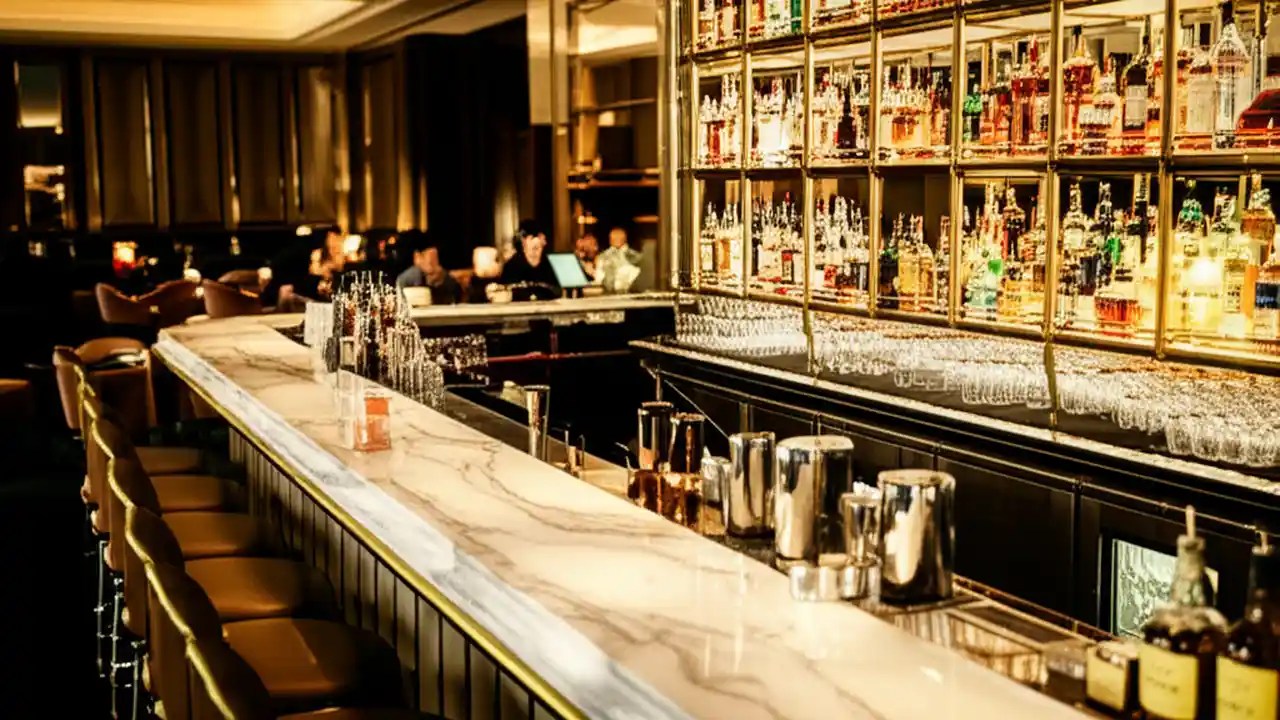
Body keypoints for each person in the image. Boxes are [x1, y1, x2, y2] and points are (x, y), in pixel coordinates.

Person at [395, 233, 462, 305]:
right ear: (418, 257)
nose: (434, 265)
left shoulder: (443, 275)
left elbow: (455, 294)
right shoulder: (410, 276)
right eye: (431, 261)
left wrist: (442, 280)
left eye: (436, 260)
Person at [499, 220, 560, 297]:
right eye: (531, 238)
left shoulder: (551, 265)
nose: (535, 242)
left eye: (539, 238)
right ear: (523, 242)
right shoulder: (511, 266)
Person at [596, 226, 642, 294]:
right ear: (610, 240)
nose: (616, 239)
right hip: (607, 293)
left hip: (628, 292)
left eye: (619, 238)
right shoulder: (603, 256)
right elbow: (599, 276)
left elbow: (636, 275)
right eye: (614, 238)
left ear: (625, 239)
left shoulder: (634, 256)